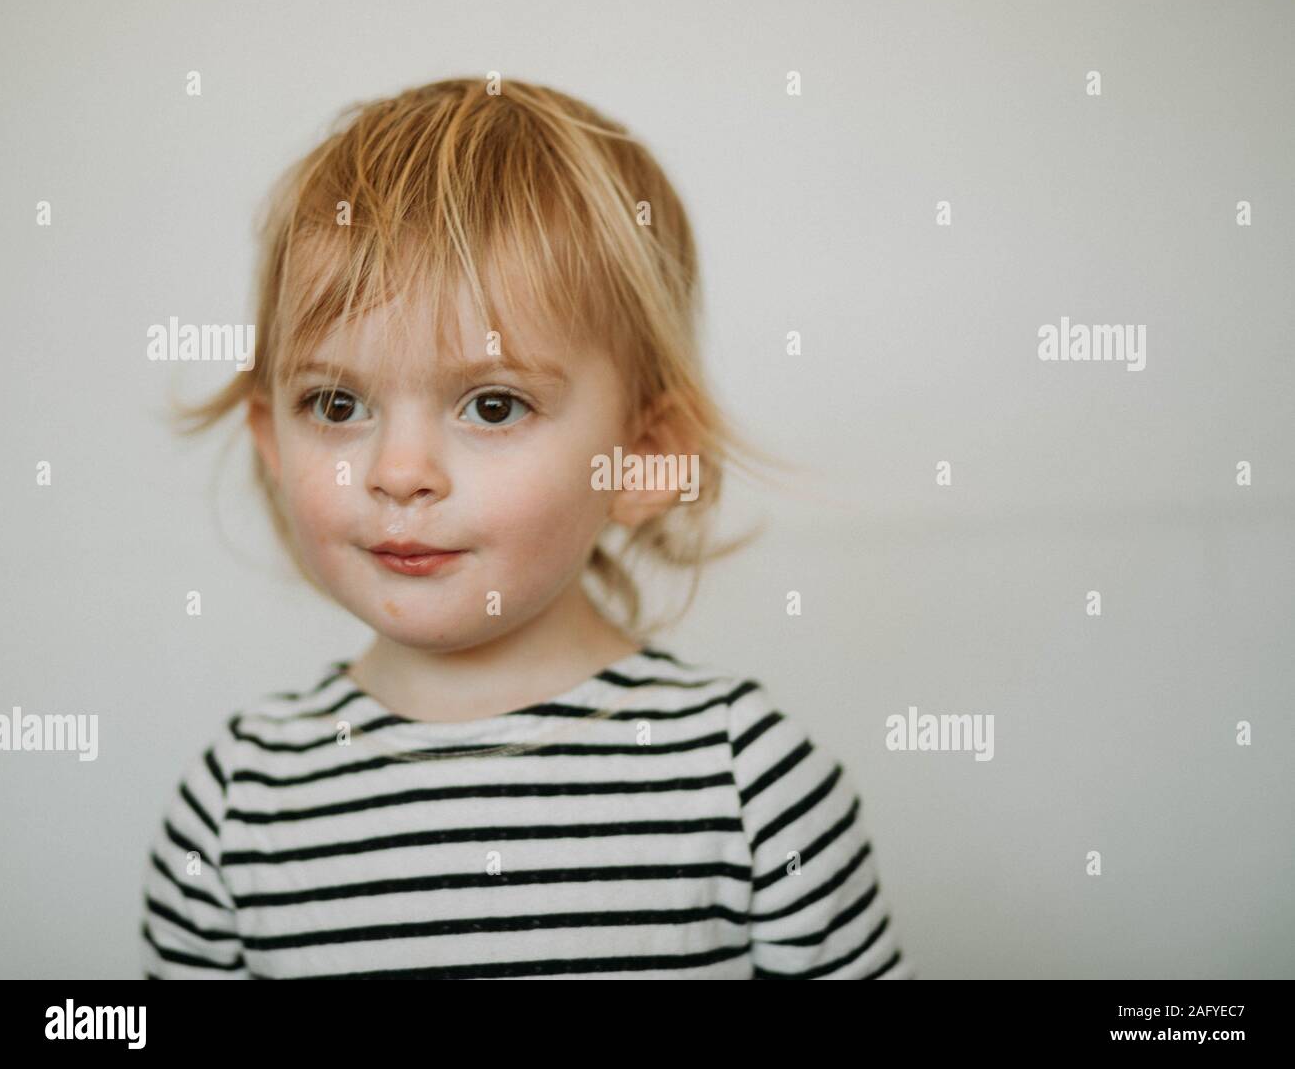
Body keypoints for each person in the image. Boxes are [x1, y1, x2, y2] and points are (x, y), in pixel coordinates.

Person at [139, 76, 914, 979]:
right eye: (337, 402)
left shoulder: (747, 787)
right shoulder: (238, 804)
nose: (399, 472)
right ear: (272, 437)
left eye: (494, 405)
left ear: (641, 457)